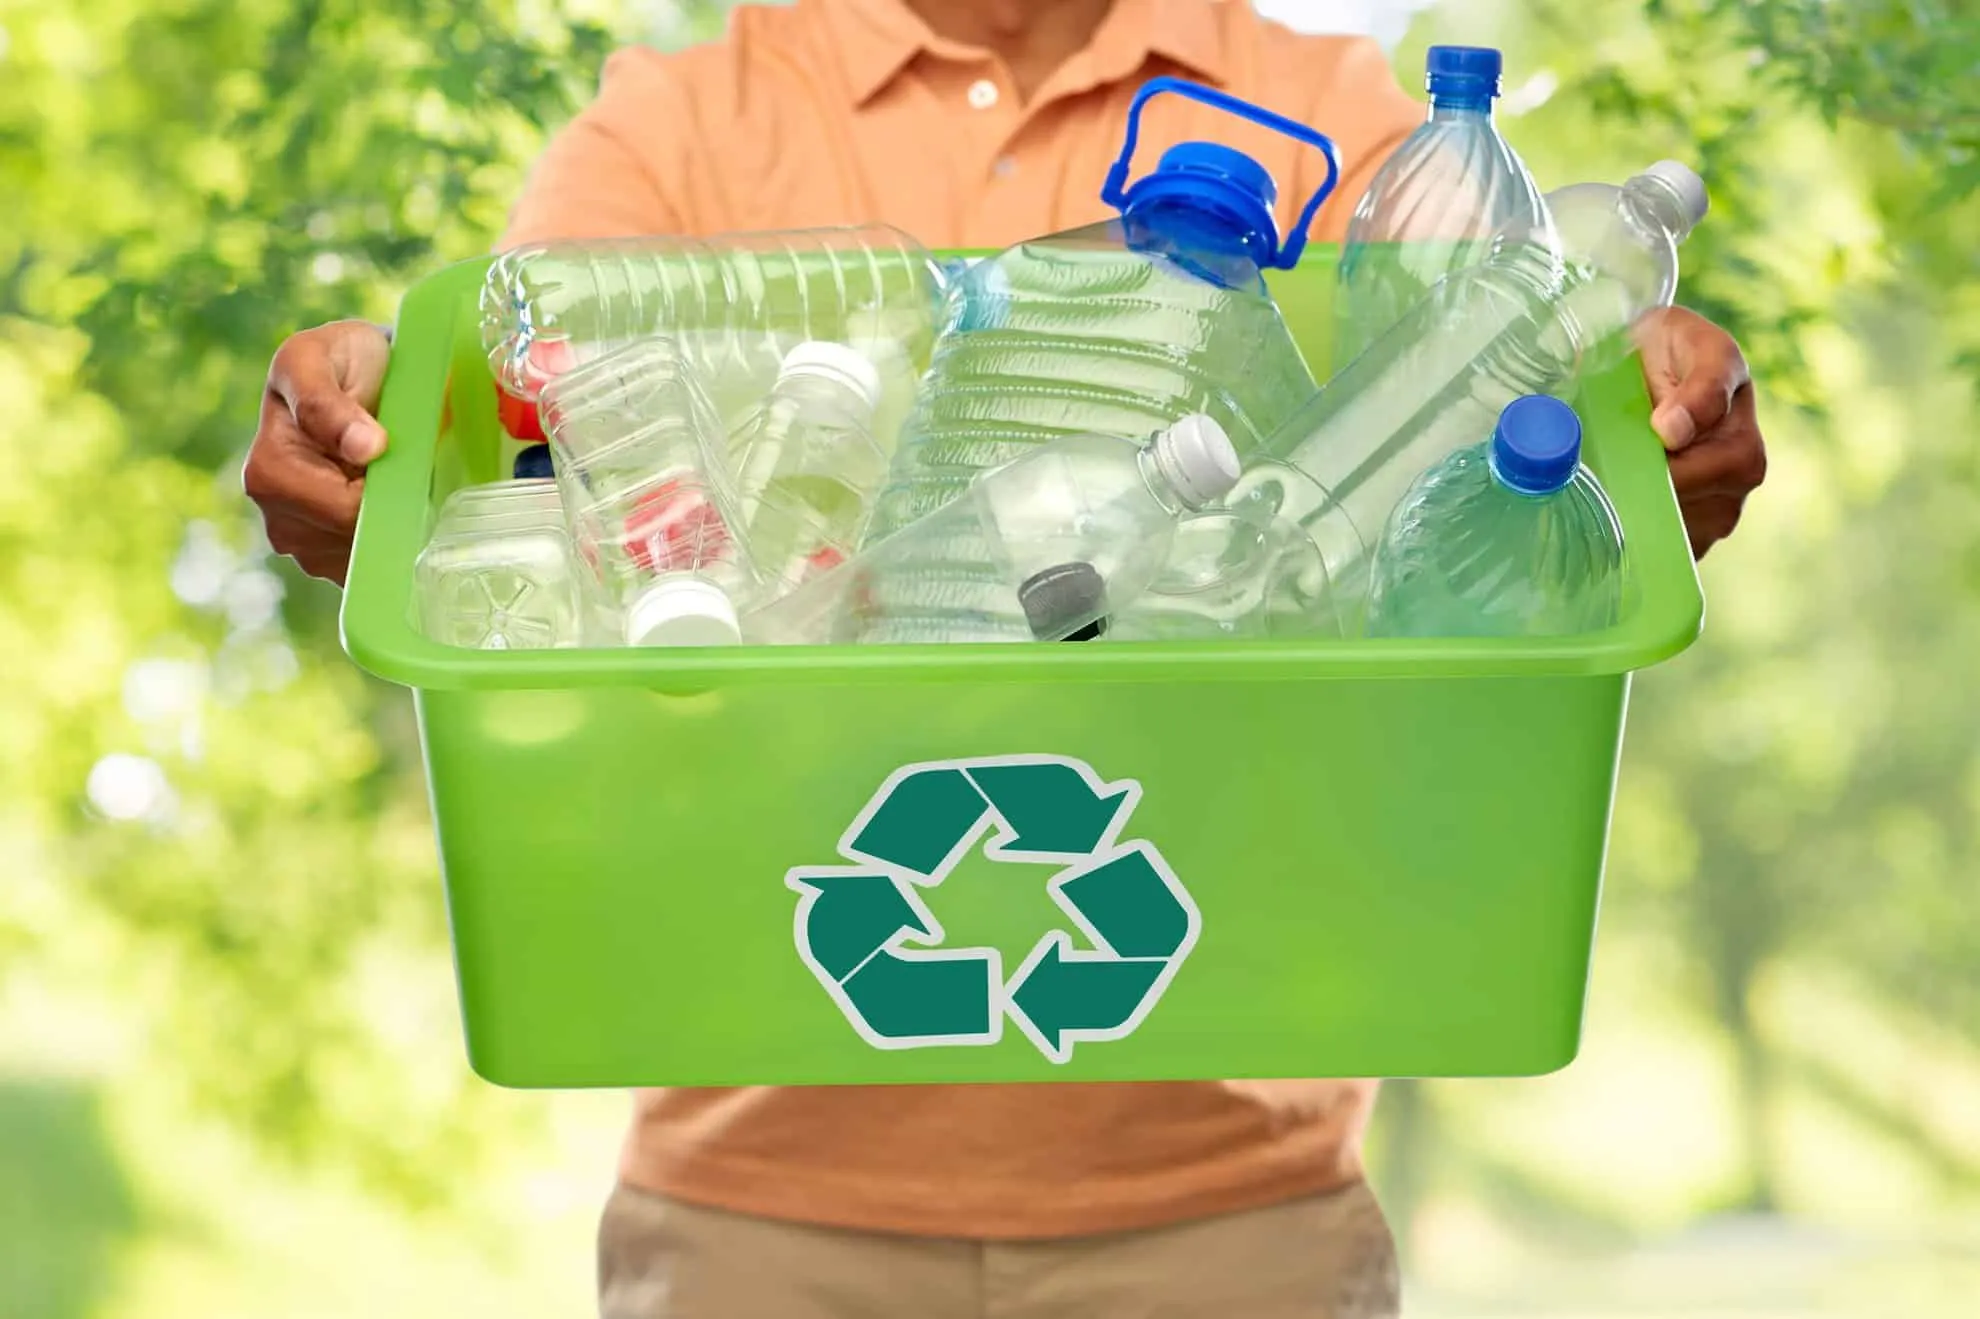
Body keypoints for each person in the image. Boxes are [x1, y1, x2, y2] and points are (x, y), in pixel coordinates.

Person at [243, 2, 1769, 1315]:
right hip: (758, 1209)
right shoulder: (683, 125)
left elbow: (1492, 434)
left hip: (1232, 1206)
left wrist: (1641, 431)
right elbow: (518, 427)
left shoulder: (1326, 115)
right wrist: (362, 438)